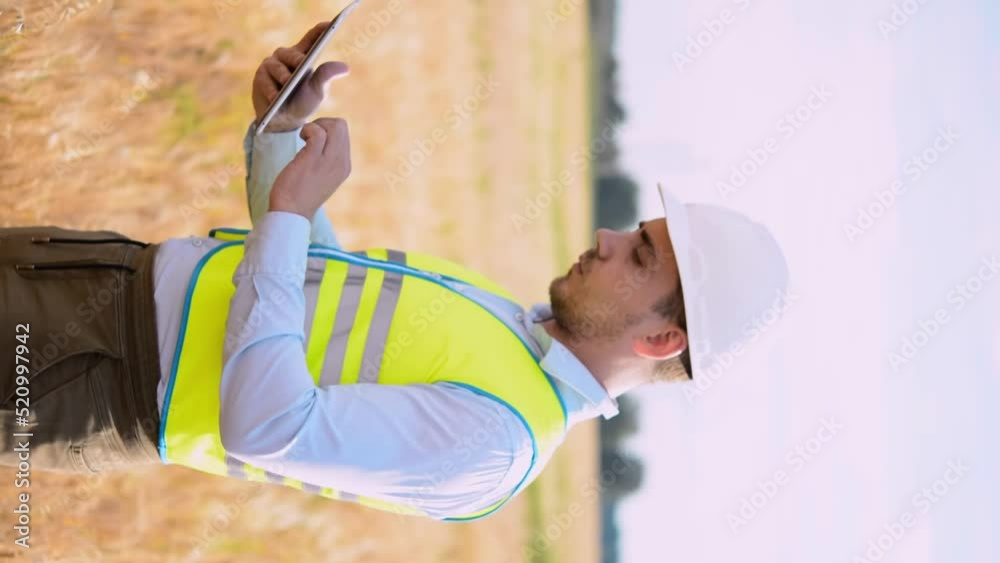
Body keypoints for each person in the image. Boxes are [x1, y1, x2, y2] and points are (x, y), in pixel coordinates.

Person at [0, 21, 789, 521]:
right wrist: (281, 135)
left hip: (94, 372)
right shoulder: (512, 329)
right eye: (637, 230)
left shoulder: (496, 442)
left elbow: (270, 426)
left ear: (662, 339)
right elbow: (309, 282)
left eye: (641, 254)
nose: (610, 236)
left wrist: (283, 217)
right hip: (102, 270)